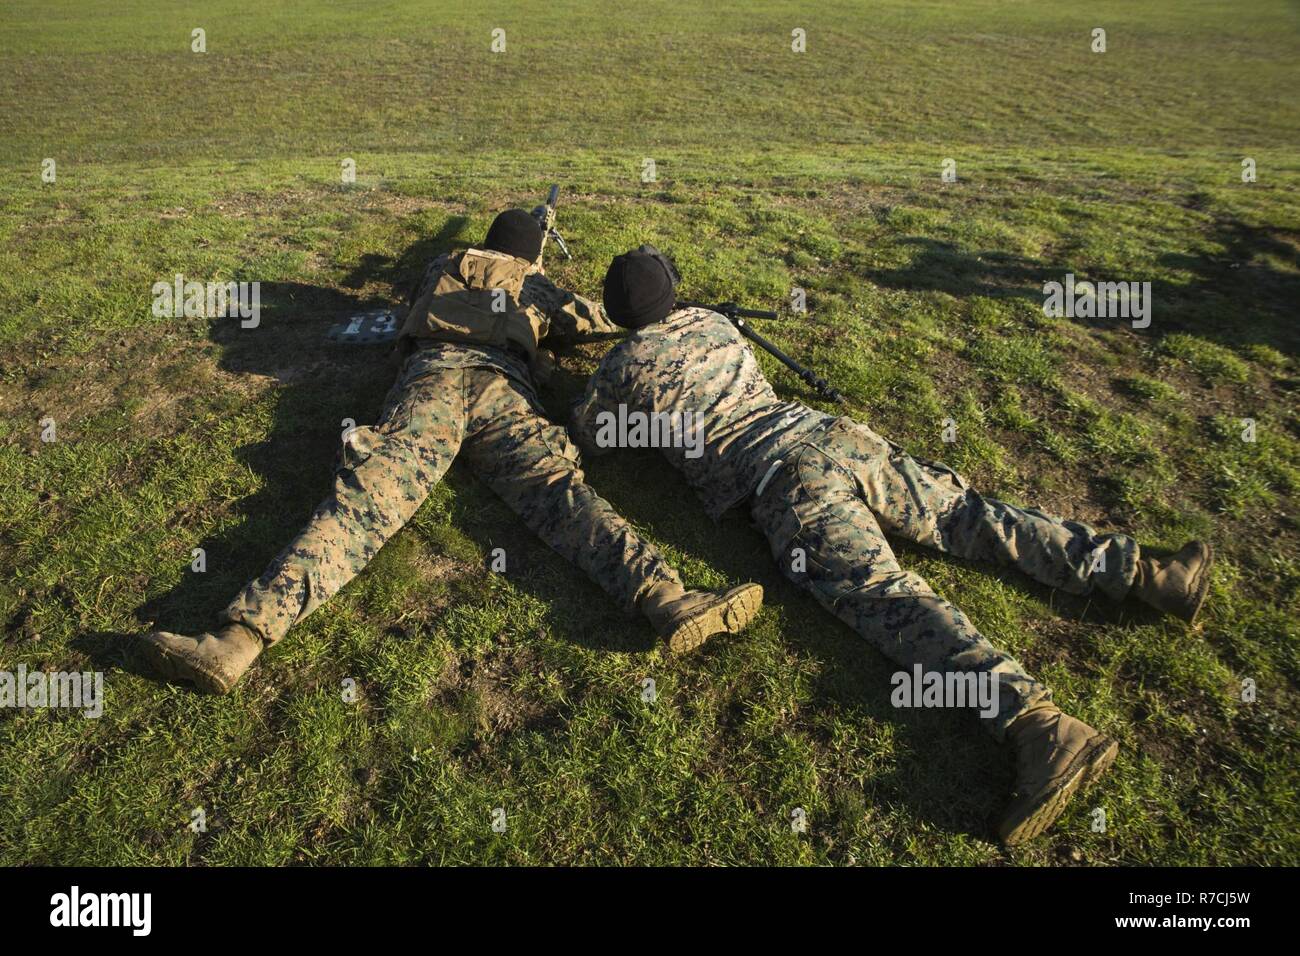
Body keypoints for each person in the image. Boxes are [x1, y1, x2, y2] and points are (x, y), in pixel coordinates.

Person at [569, 246, 1214, 843]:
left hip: (784, 482)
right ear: (676, 294)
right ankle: (1148, 575)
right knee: (968, 515)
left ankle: (1038, 728)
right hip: (836, 435)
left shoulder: (622, 366)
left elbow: (594, 435)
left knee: (884, 595)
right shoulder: (714, 322)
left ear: (620, 314)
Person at [136, 215, 763, 695]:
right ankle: (668, 598)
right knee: (562, 497)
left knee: (366, 501)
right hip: (503, 390)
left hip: (430, 381)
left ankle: (237, 640)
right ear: (531, 251)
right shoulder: (536, 286)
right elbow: (605, 318)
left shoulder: (444, 263)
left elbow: (417, 302)